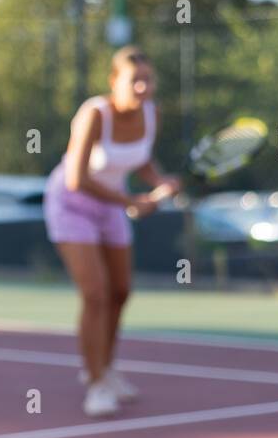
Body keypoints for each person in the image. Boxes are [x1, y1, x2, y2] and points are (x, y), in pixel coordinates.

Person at [42, 46, 180, 417]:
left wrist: (160, 182)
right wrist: (131, 201)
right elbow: (77, 178)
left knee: (120, 292)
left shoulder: (151, 113)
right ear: (114, 81)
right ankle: (95, 382)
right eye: (134, 80)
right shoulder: (94, 114)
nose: (142, 88)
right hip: (71, 204)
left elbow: (141, 159)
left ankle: (106, 366)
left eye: (148, 80)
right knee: (96, 293)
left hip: (113, 206)